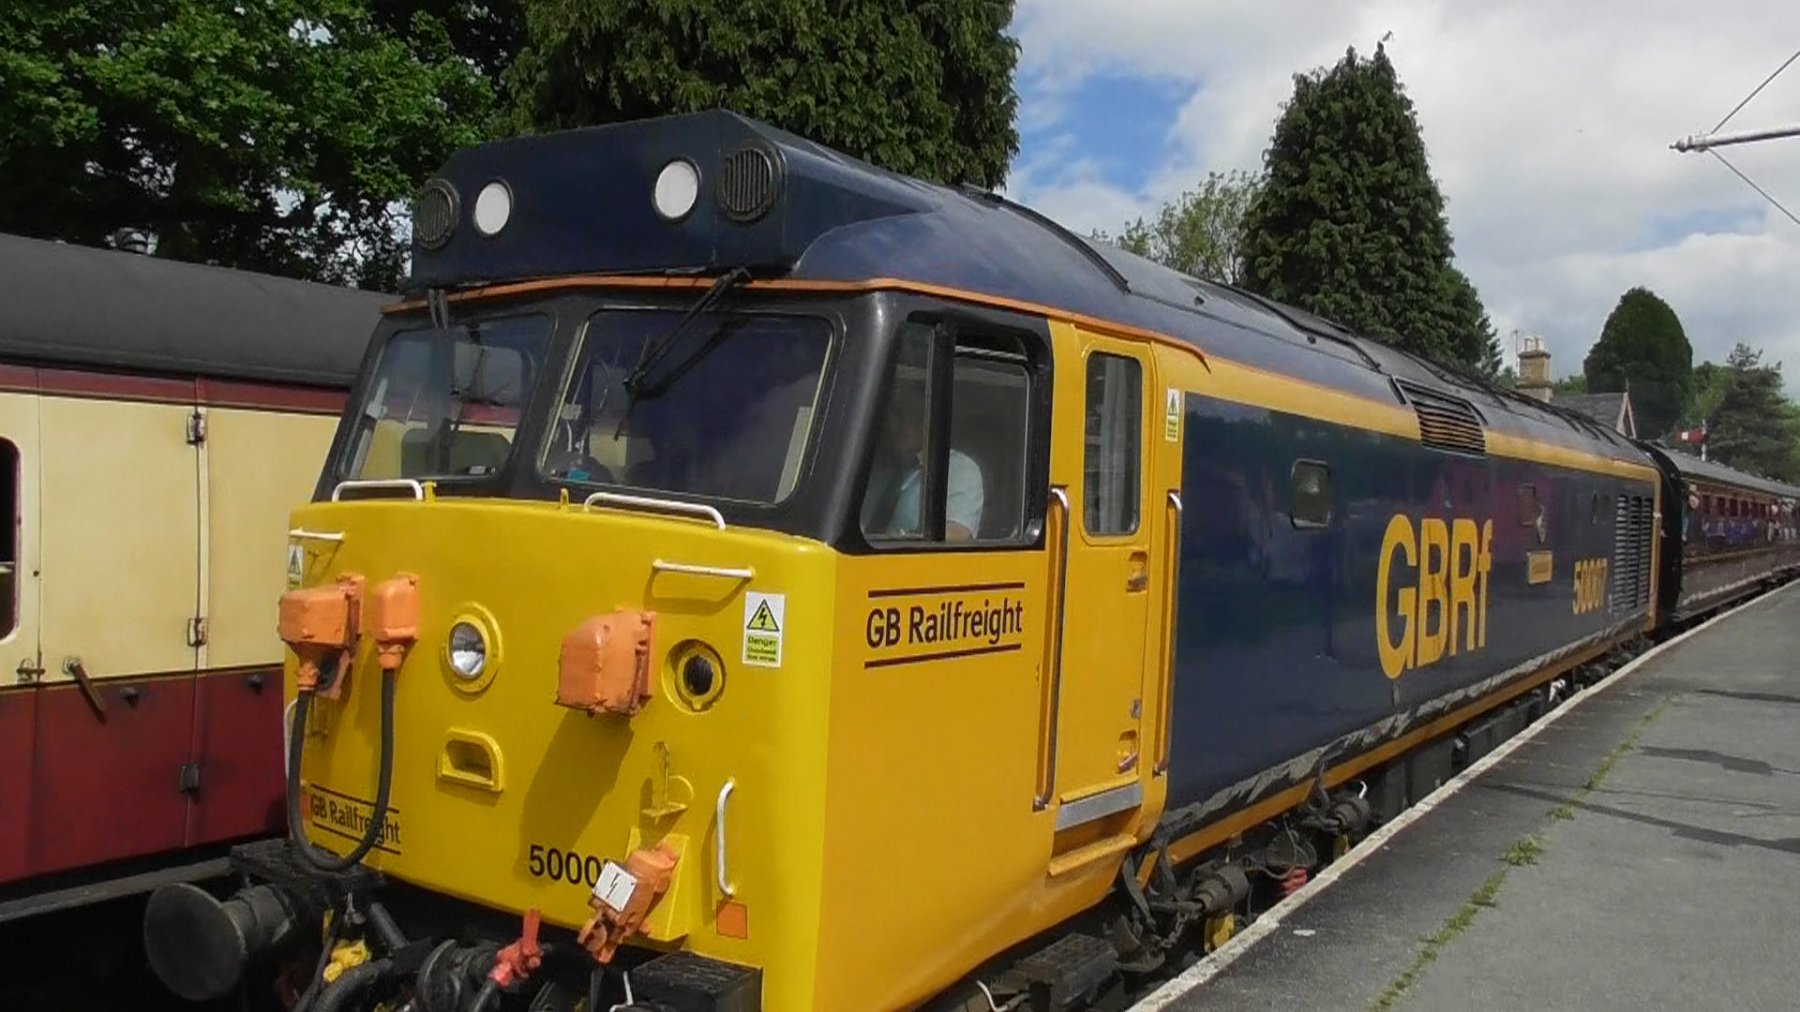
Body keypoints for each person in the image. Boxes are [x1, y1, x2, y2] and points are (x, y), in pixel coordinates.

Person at [861, 387, 984, 541]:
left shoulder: (958, 470)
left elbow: (955, 536)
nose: (887, 424)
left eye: (897, 415)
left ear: (923, 421)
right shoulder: (876, 473)